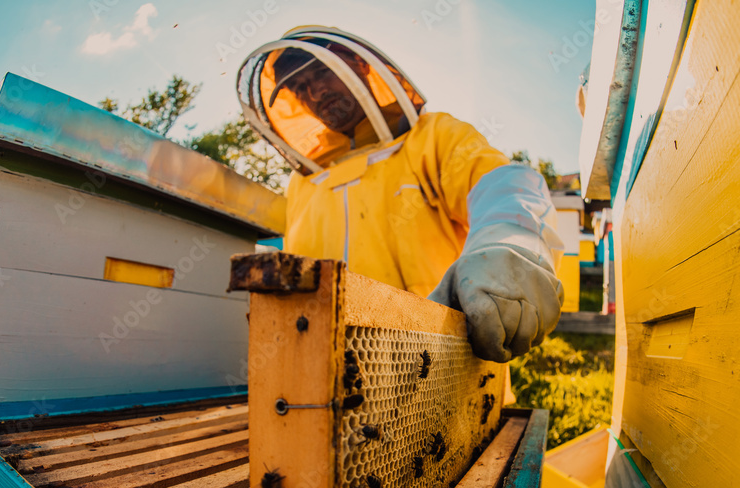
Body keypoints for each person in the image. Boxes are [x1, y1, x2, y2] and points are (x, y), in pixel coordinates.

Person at [237, 27, 564, 363]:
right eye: (300, 88)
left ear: (359, 65)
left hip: (437, 369)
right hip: (321, 373)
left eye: (323, 73)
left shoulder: (433, 138)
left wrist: (507, 246)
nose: (317, 92)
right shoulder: (303, 182)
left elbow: (504, 189)